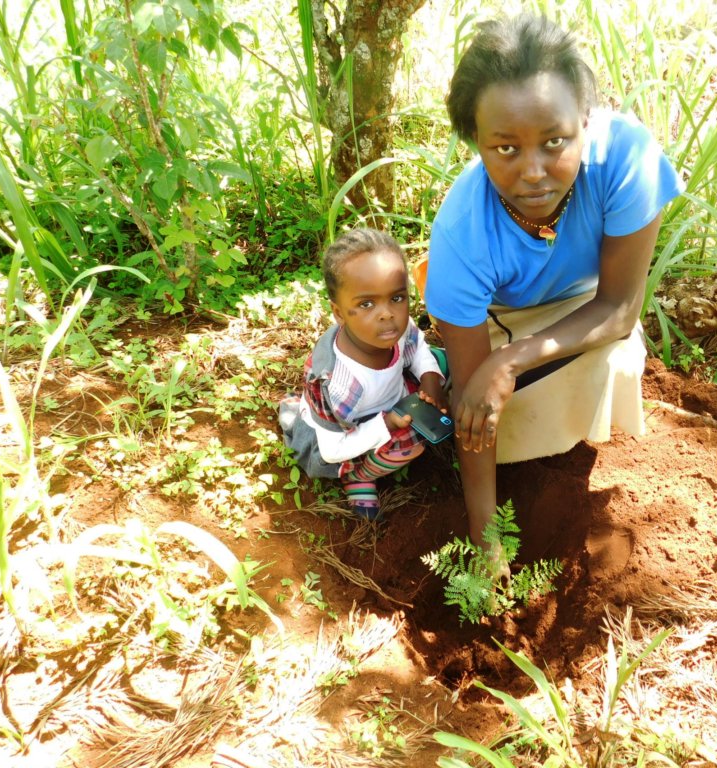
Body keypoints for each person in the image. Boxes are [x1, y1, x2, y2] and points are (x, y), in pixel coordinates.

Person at [424, 14, 683, 548]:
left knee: (616, 352)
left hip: (586, 304)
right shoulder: (461, 235)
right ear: (475, 140)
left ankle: (573, 433)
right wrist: (486, 537)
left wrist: (510, 362)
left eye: (554, 141)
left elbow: (618, 309)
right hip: (501, 317)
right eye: (506, 148)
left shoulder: (626, 160)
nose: (534, 170)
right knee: (485, 403)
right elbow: (476, 407)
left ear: (585, 120)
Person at [279, 228, 448, 521]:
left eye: (397, 298)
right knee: (410, 444)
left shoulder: (392, 330)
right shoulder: (338, 385)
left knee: (445, 362)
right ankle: (358, 476)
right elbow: (332, 450)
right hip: (351, 430)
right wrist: (388, 422)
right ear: (339, 312)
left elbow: (417, 345)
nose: (387, 314)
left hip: (393, 396)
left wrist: (430, 377)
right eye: (366, 304)